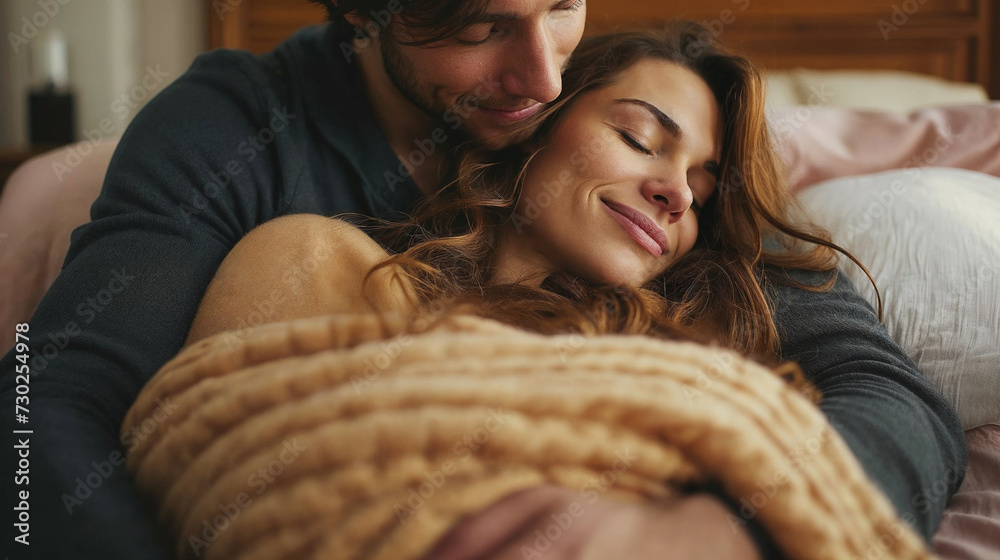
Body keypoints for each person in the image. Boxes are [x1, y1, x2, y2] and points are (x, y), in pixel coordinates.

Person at [0, 1, 964, 558]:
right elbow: (49, 396)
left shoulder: (696, 250)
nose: (541, 78)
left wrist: (735, 528)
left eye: (562, 5)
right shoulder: (252, 152)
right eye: (479, 24)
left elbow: (895, 401)